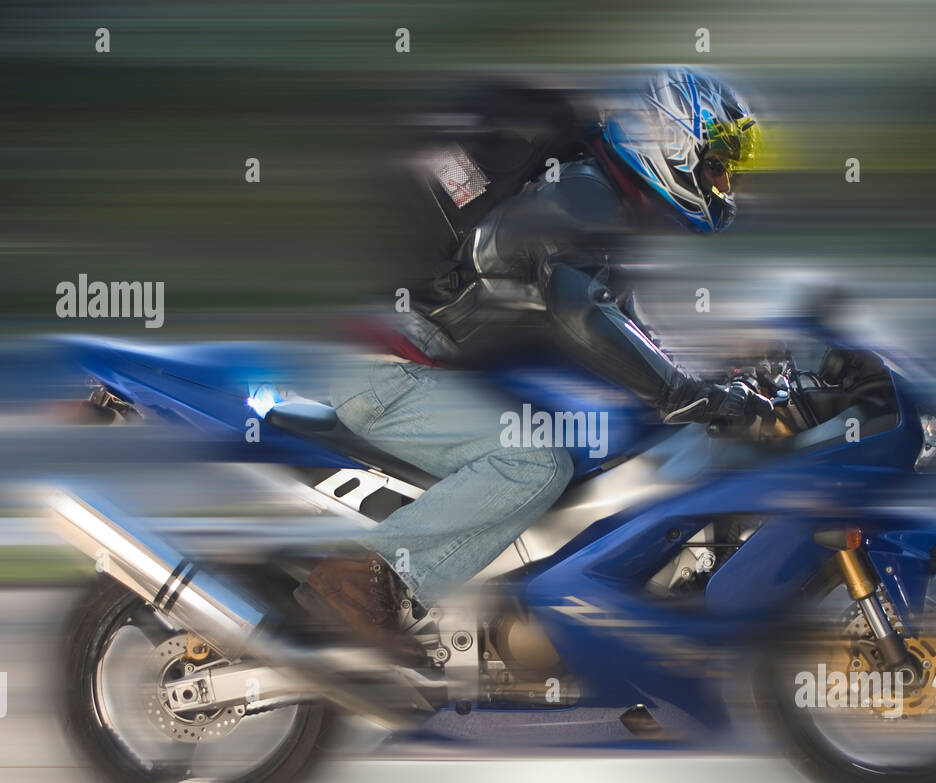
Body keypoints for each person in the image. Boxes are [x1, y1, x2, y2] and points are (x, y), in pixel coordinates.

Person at [298, 69, 767, 660]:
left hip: (405, 365)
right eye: (719, 163)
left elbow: (620, 326)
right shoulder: (581, 194)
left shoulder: (597, 197)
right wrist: (684, 395)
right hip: (387, 370)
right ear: (671, 142)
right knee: (533, 462)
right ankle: (365, 576)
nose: (725, 182)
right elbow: (583, 313)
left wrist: (711, 380)